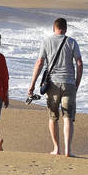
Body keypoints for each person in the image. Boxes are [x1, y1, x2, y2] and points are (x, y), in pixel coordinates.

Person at [27, 17, 83, 157]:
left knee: (53, 117)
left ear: (54, 28)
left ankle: (56, 149)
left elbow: (39, 62)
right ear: (66, 29)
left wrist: (32, 84)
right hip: (69, 83)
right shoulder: (72, 42)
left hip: (52, 84)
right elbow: (79, 63)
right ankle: (68, 151)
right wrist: (77, 82)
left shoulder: (46, 41)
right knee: (68, 117)